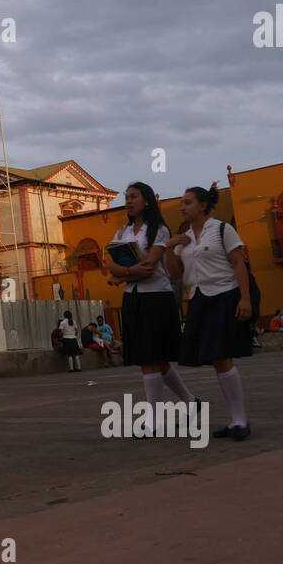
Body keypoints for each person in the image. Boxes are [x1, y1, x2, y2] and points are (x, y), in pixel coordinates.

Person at [105, 182, 196, 434]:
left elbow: (149, 267)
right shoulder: (122, 232)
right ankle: (190, 400)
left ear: (146, 200)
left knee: (150, 358)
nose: (128, 201)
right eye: (126, 197)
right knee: (159, 361)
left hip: (156, 297)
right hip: (133, 298)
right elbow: (110, 264)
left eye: (133, 196)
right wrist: (126, 273)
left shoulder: (159, 230)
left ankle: (153, 421)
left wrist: (121, 275)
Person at [164, 184, 251, 440]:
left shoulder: (222, 229)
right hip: (199, 299)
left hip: (224, 295)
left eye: (187, 202)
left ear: (202, 205)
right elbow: (176, 274)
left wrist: (245, 299)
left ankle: (240, 419)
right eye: (181, 203)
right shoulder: (185, 238)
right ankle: (237, 420)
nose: (182, 207)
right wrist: (170, 248)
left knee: (222, 356)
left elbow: (239, 263)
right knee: (216, 358)